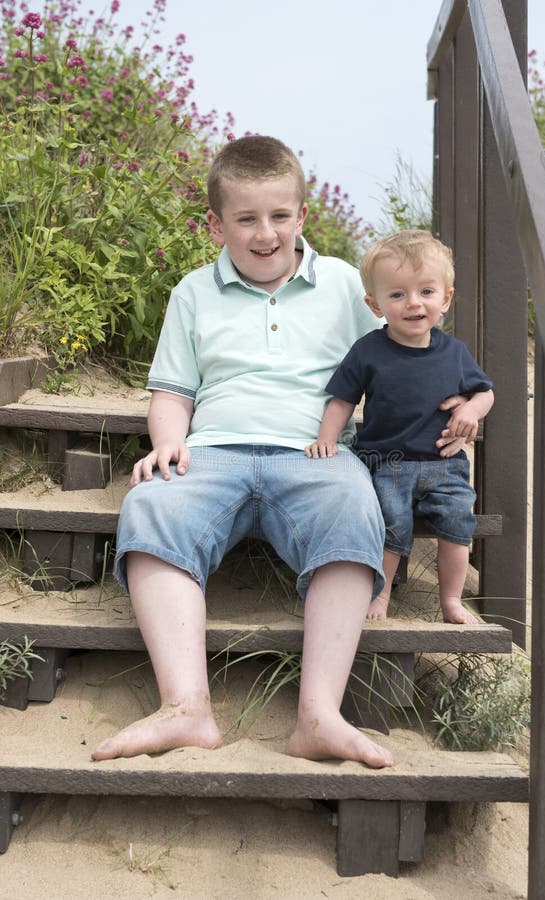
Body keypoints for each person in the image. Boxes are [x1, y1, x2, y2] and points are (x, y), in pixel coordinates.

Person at [91, 135, 400, 767]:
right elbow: (172, 391)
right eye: (247, 219)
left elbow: (398, 356)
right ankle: (185, 707)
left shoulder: (345, 284)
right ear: (216, 225)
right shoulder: (194, 291)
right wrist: (168, 442)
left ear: (302, 215)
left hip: (315, 453)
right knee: (150, 507)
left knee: (353, 508)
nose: (266, 233)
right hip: (213, 451)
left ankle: (320, 715)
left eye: (280, 215)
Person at [304, 230, 494, 623]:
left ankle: (451, 600)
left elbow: (485, 392)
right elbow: (342, 399)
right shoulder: (369, 351)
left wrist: (472, 410)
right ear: (375, 304)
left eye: (426, 291)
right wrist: (326, 438)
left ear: (446, 299)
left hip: (445, 465)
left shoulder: (454, 352)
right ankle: (382, 595)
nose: (413, 303)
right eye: (397, 294)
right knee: (391, 527)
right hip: (388, 462)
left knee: (457, 526)